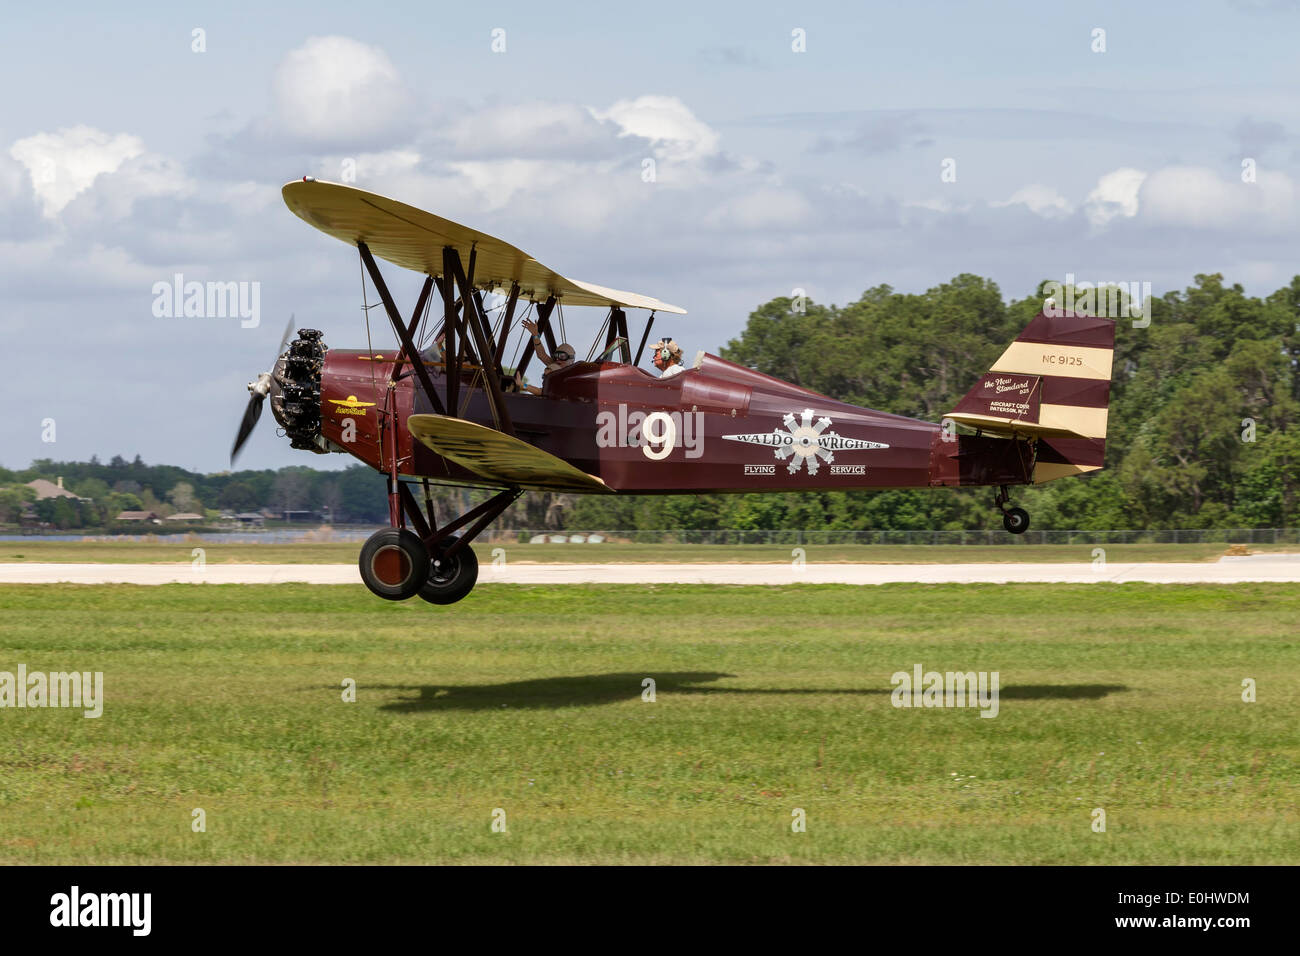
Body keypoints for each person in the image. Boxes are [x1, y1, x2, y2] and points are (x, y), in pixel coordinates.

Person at [514, 317, 576, 394]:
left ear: (571, 360)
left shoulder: (575, 374)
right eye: (556, 356)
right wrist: (535, 335)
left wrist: (524, 385)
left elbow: (542, 392)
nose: (558, 359)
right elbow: (541, 355)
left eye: (562, 356)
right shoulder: (556, 367)